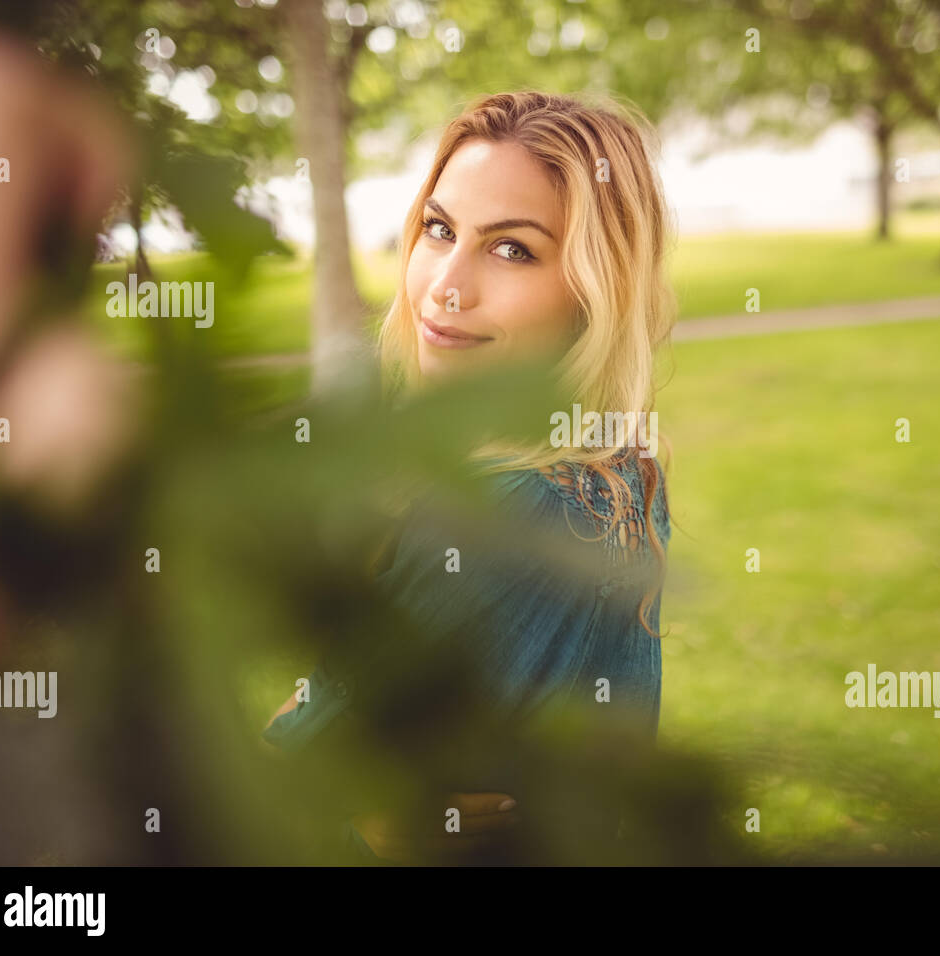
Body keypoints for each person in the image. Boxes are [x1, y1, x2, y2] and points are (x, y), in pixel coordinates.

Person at [261, 91, 678, 863]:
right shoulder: (621, 463)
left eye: (512, 248)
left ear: (594, 293)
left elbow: (267, 781)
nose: (446, 285)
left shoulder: (509, 513)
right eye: (440, 229)